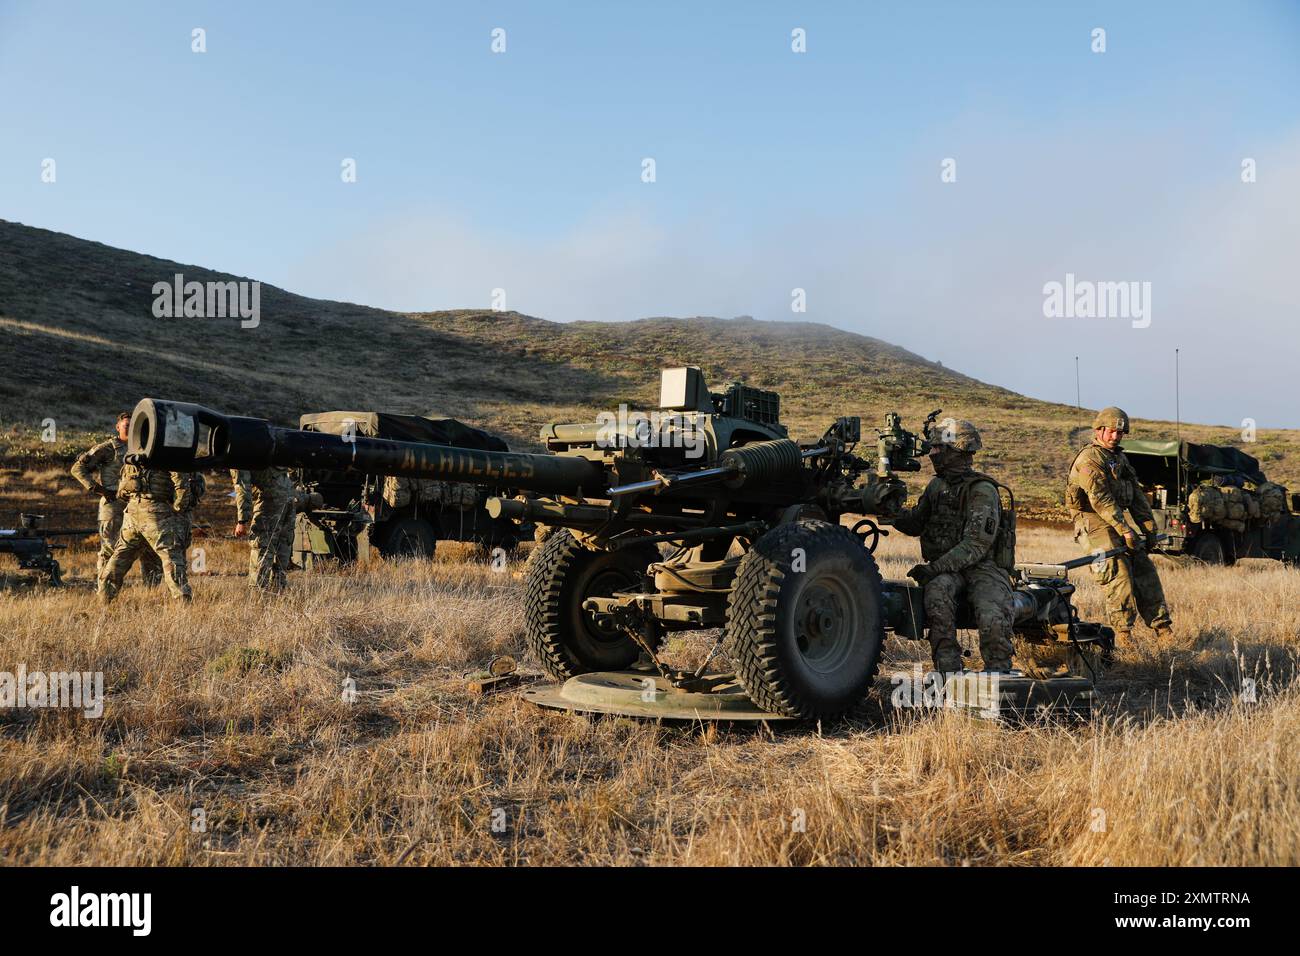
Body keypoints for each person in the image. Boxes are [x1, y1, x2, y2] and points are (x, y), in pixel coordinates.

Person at [891, 419, 1015, 674]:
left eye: (938, 448)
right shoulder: (936, 486)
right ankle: (948, 673)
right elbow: (916, 523)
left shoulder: (982, 490)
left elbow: (976, 544)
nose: (932, 453)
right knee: (936, 595)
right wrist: (890, 509)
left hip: (983, 568)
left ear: (958, 450)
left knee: (991, 612)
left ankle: (999, 676)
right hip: (948, 570)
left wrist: (934, 568)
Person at [1066, 407, 1174, 644]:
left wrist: (1149, 531)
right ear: (1099, 430)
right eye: (1112, 432)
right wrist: (1126, 530)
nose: (1115, 437)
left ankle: (1164, 631)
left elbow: (1136, 496)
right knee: (1118, 572)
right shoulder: (1089, 459)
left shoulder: (1119, 459)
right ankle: (1124, 636)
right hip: (1092, 522)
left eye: (1120, 433)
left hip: (1114, 519)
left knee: (1145, 570)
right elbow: (1100, 500)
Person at [70, 412, 162, 585]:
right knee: (111, 548)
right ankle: (105, 589)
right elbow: (78, 469)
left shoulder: (145, 448)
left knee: (150, 548)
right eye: (126, 425)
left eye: (134, 425)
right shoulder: (109, 448)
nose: (130, 428)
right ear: (118, 427)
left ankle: (153, 590)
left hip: (140, 506)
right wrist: (99, 489)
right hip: (114, 506)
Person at [98, 461, 195, 603]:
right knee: (170, 556)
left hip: (132, 511)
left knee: (120, 556)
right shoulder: (167, 455)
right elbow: (181, 483)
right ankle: (182, 599)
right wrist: (179, 508)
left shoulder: (133, 457)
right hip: (156, 513)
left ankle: (104, 597)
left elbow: (123, 490)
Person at [233, 468, 321, 589]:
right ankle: (278, 589)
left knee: (263, 545)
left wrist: (242, 521)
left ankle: (258, 593)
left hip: (271, 497)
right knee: (283, 544)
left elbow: (242, 487)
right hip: (289, 495)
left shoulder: (238, 452)